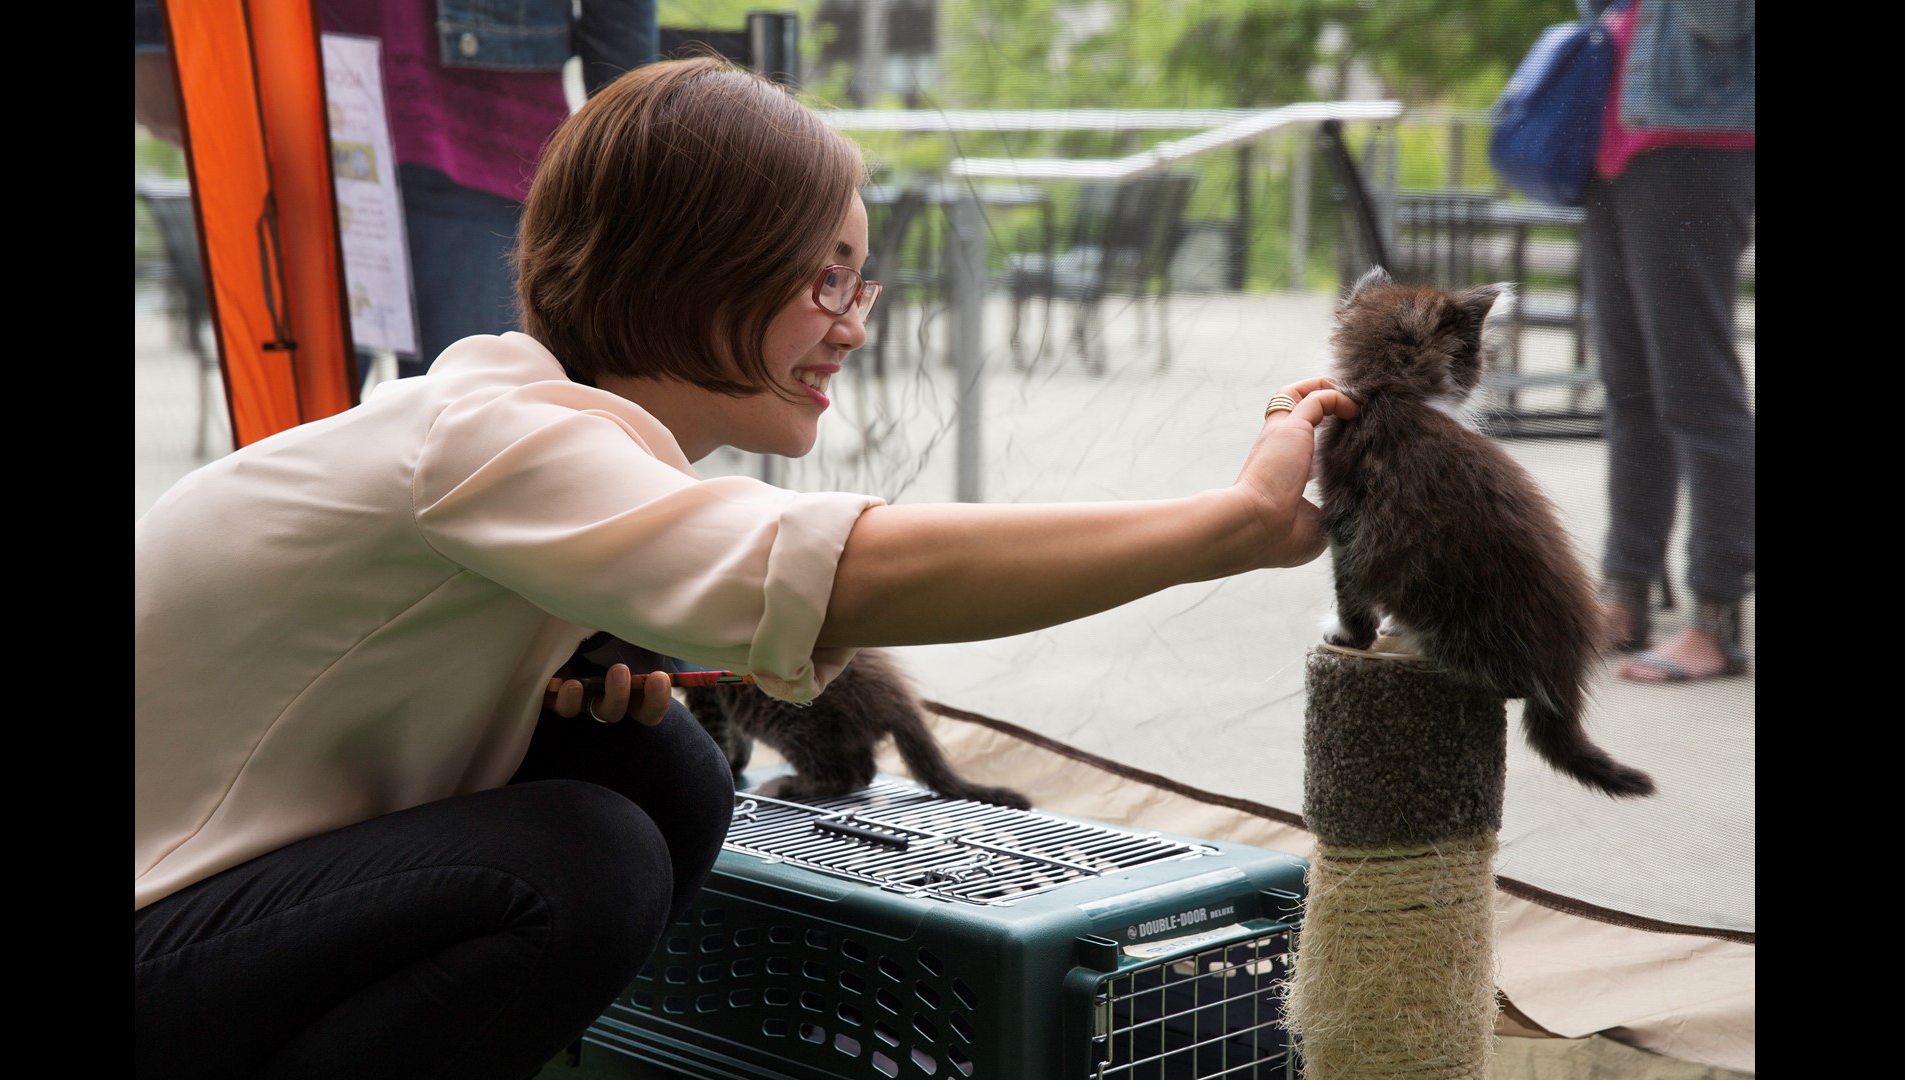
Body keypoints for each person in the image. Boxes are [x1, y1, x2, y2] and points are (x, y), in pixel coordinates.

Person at [134, 57, 1357, 1080]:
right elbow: (842, 571)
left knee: (656, 763)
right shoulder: (499, 440)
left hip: (213, 900)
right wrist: (1230, 522)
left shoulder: (522, 427)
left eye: (857, 277)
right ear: (698, 264)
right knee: (579, 863)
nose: (855, 321)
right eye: (824, 275)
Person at [315, 0, 660, 385]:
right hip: (307, 98)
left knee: (469, 411)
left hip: (478, 134)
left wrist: (632, 166)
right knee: (294, 423)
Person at [1578, 0, 1754, 683]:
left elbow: (1719, 22)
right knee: (1629, 391)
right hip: (1616, 152)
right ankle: (1625, 596)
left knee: (1696, 390)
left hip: (1697, 154)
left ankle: (1717, 621)